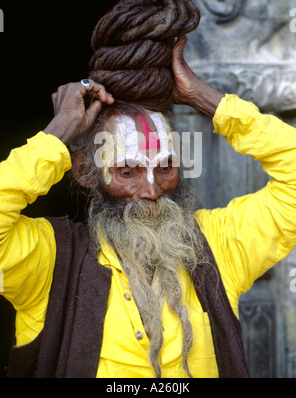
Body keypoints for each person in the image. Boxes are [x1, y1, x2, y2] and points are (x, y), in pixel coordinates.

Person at [1, 34, 296, 378]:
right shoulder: (50, 261)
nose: (152, 190)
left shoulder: (218, 247)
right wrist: (58, 133)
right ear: (85, 173)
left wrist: (204, 98)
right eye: (128, 171)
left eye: (165, 167)